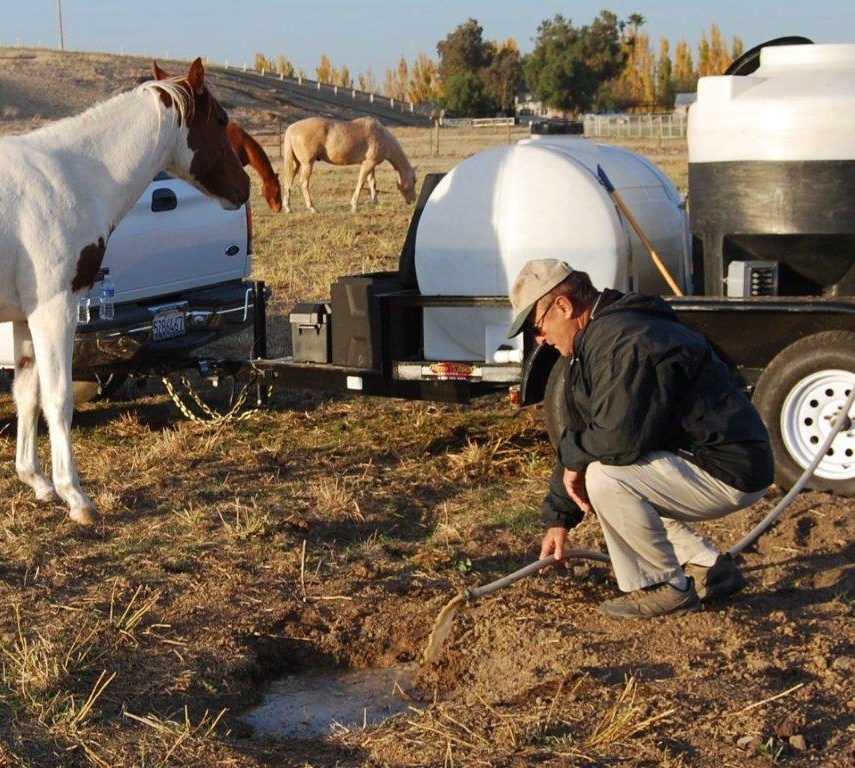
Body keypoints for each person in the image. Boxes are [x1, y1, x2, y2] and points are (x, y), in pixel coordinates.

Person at [507, 259, 774, 620]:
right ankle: (708, 566)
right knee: (615, 479)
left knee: (607, 477)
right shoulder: (601, 338)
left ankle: (664, 587)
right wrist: (560, 518)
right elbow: (585, 430)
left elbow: (618, 442)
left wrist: (576, 463)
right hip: (712, 457)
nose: (539, 339)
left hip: (730, 468)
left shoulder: (624, 343)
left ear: (564, 306)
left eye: (536, 326)